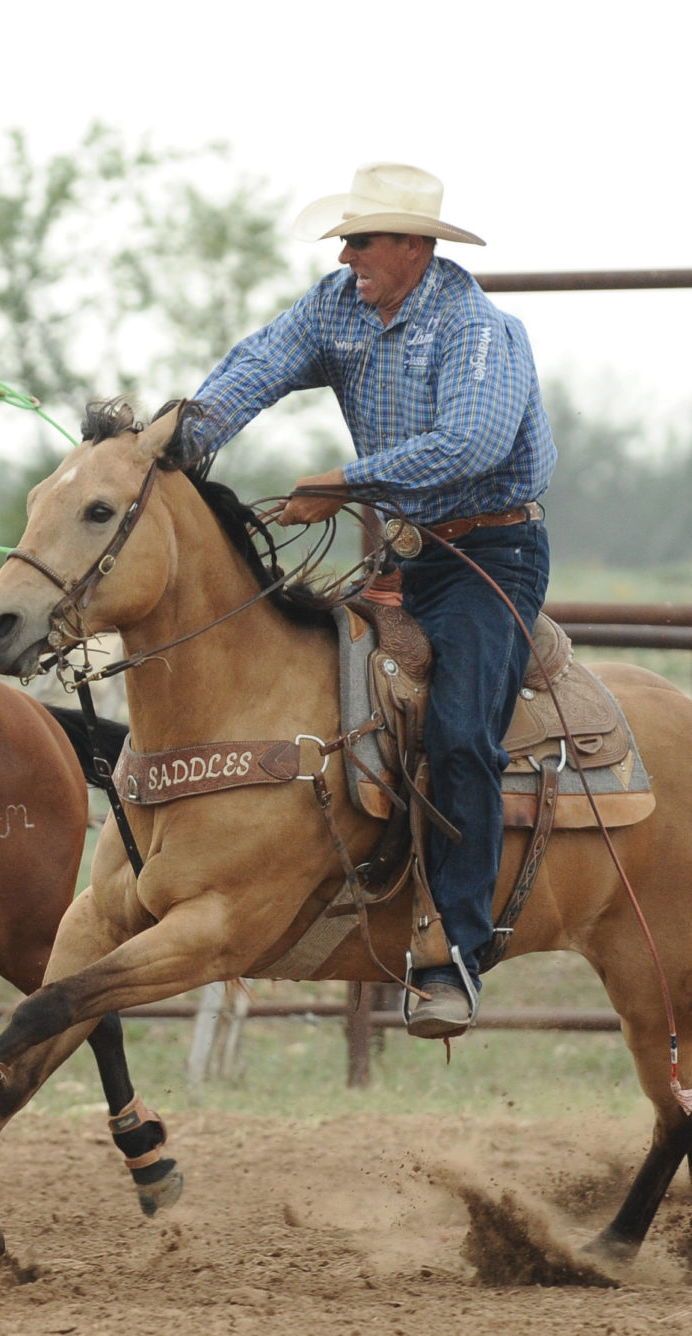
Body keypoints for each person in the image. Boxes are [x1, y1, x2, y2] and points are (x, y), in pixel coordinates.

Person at [175, 162, 556, 1040]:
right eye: (346, 241)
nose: (346, 256)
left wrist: (346, 482)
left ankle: (454, 955)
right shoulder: (336, 307)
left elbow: (470, 442)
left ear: (414, 246)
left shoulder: (477, 330)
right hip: (410, 551)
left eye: (362, 240)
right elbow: (258, 365)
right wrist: (180, 439)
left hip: (491, 553)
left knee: (460, 730)